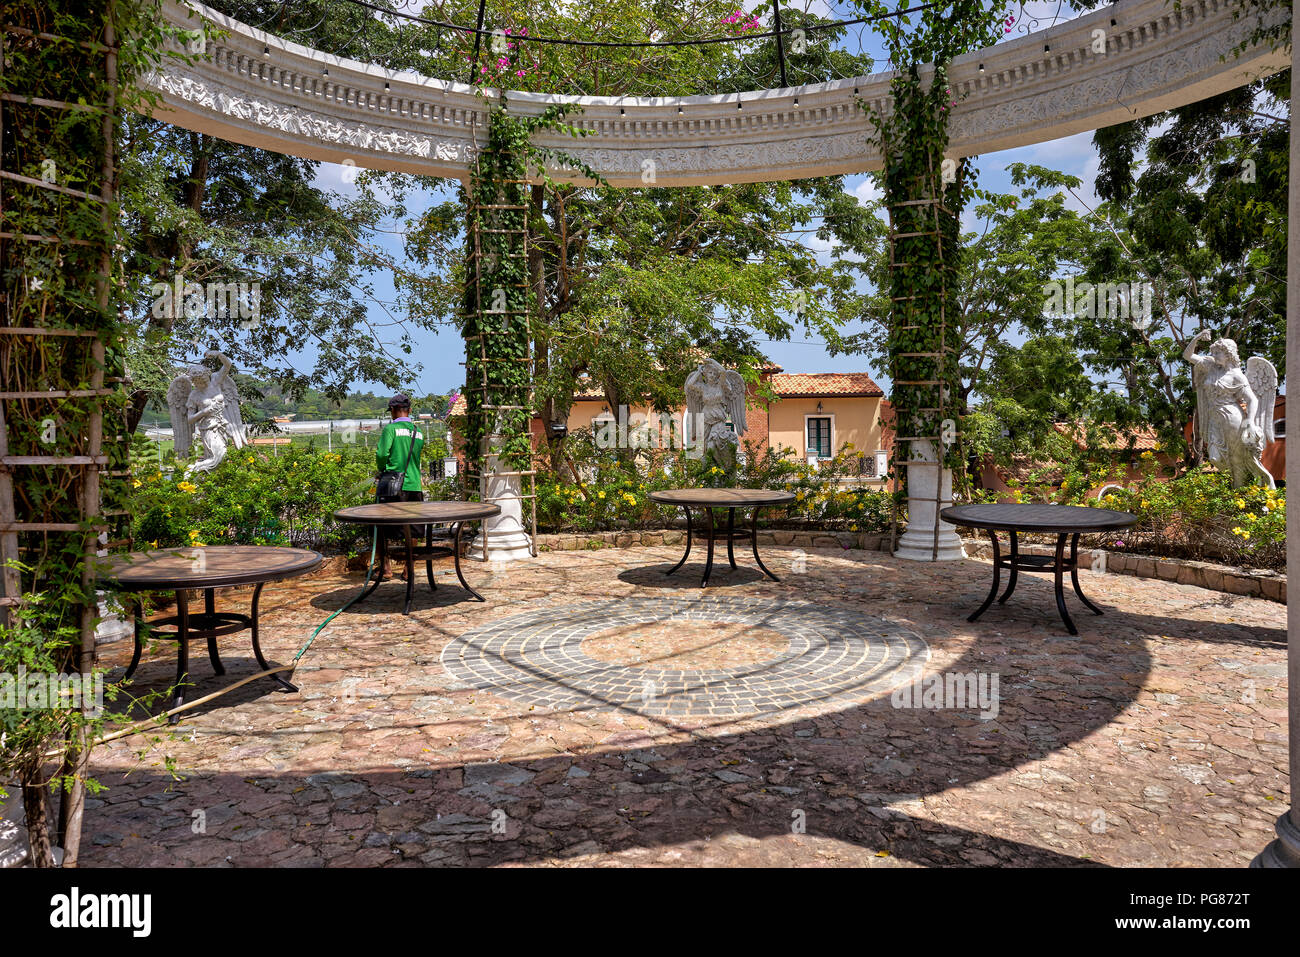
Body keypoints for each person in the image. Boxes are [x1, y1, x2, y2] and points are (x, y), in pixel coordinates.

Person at [375, 393, 425, 577]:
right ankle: (408, 568)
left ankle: (386, 568)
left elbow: (381, 455)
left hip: (392, 486)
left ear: (393, 412)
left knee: (381, 526)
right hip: (414, 485)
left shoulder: (390, 429)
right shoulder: (417, 431)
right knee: (412, 529)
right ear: (409, 410)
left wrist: (383, 470)